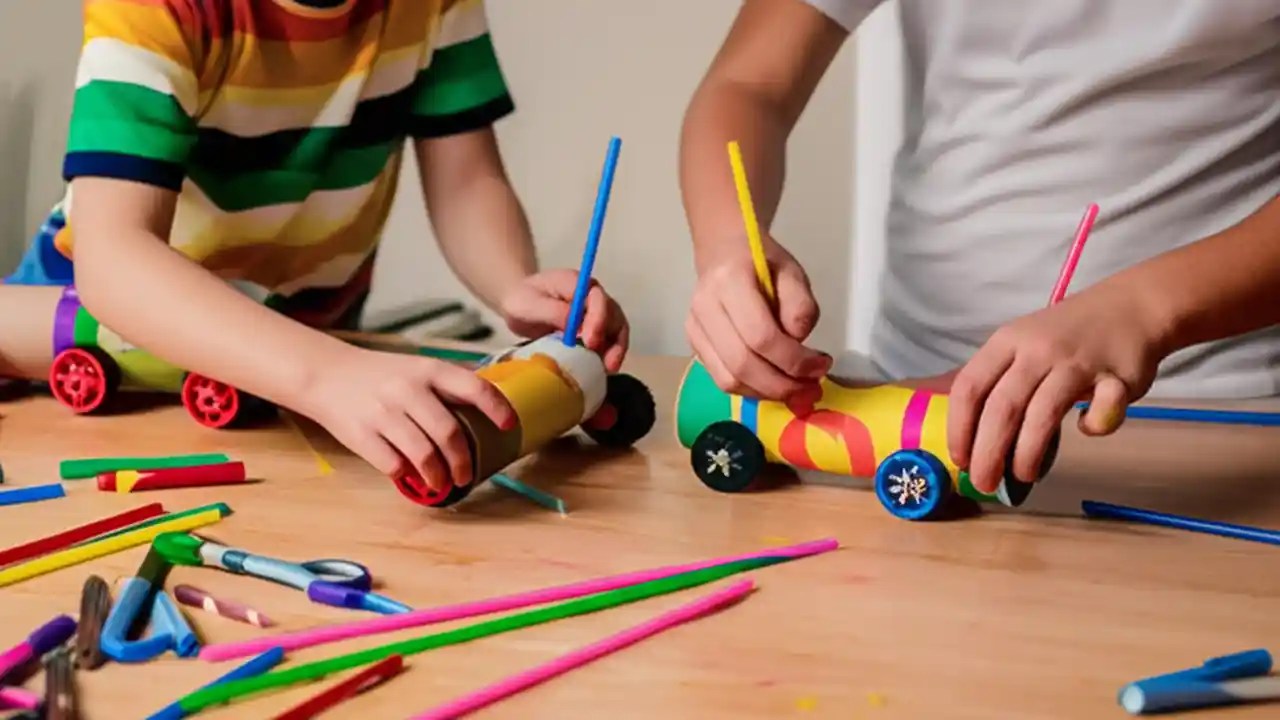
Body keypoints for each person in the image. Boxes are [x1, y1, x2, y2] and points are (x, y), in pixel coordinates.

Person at [0, 0, 629, 493]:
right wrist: (329, 375)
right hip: (98, 338)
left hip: (304, 366)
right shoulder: (157, 7)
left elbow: (467, 179)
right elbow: (116, 260)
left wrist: (511, 282)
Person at [679, 0, 1280, 495]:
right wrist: (730, 243)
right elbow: (748, 83)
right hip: (913, 395)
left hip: (1210, 419)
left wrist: (1147, 309)